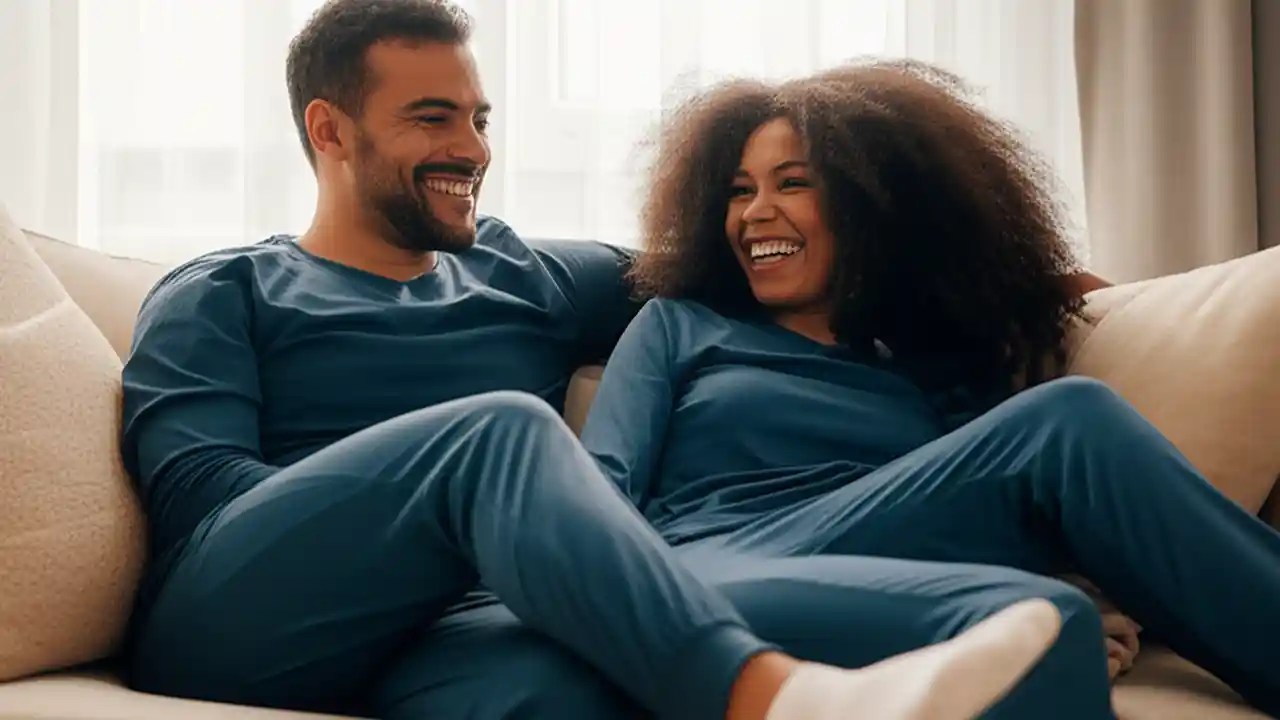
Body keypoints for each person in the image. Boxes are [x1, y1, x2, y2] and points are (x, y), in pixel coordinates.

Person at [119, 2, 1068, 719]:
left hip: (454, 629)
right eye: (433, 118)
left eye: (480, 118)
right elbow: (203, 498)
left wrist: (1018, 271)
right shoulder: (226, 291)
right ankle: (770, 697)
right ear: (331, 131)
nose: (472, 148)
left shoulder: (525, 275)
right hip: (243, 619)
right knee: (500, 431)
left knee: (564, 686)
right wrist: (429, 513)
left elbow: (739, 263)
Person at [580, 59, 1280, 720]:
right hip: (712, 562)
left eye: (791, 182)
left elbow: (991, 512)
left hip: (872, 569)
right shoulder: (679, 326)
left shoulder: (926, 358)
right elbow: (596, 491)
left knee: (1054, 555)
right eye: (739, 190)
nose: (755, 212)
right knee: (1069, 423)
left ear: (867, 205)